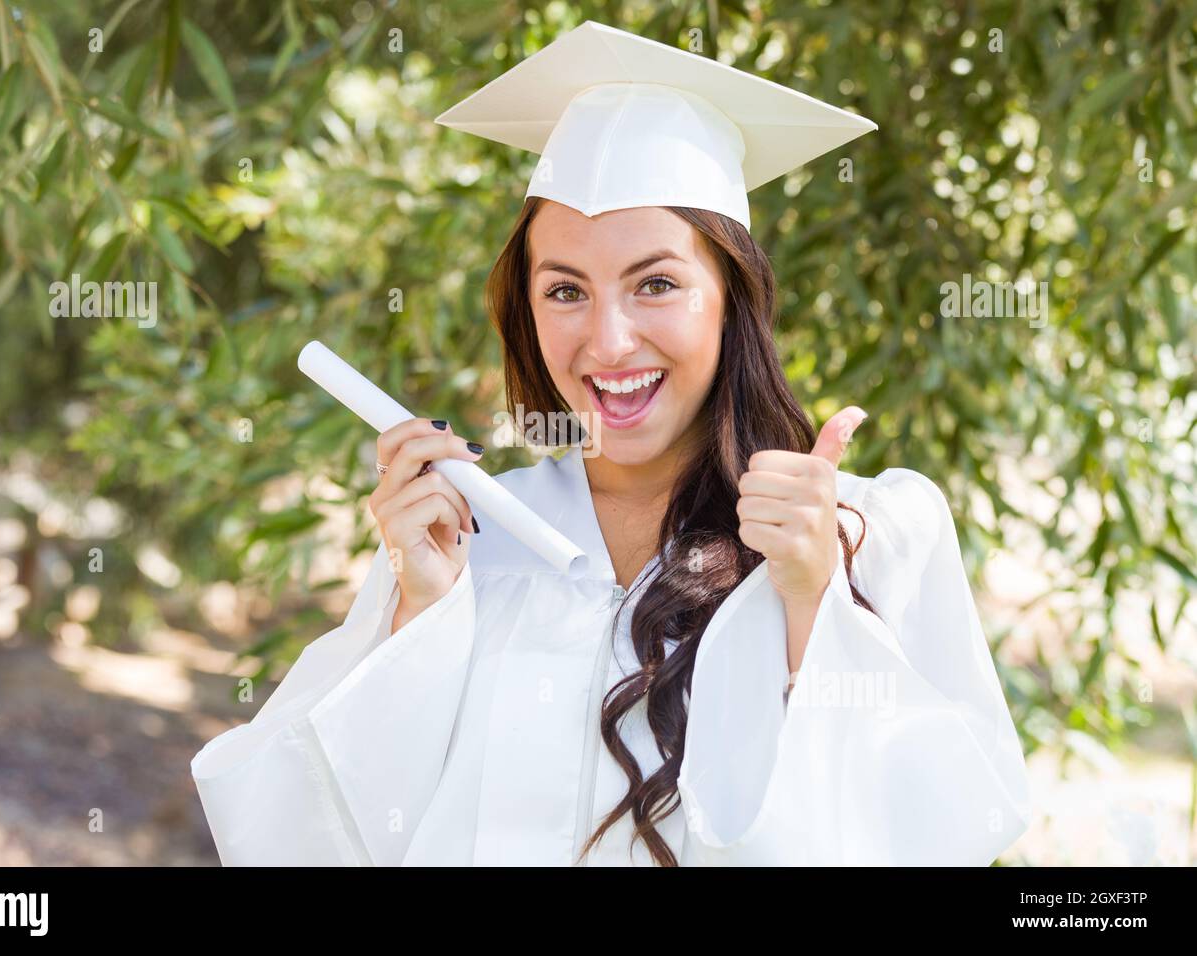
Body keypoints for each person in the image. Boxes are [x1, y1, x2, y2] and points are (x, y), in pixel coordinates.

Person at [190, 21, 1032, 866]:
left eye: (656, 283)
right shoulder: (474, 537)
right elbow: (306, 835)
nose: (610, 341)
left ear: (733, 297)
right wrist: (418, 617)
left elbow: (941, 832)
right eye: (565, 290)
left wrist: (813, 604)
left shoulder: (863, 530)